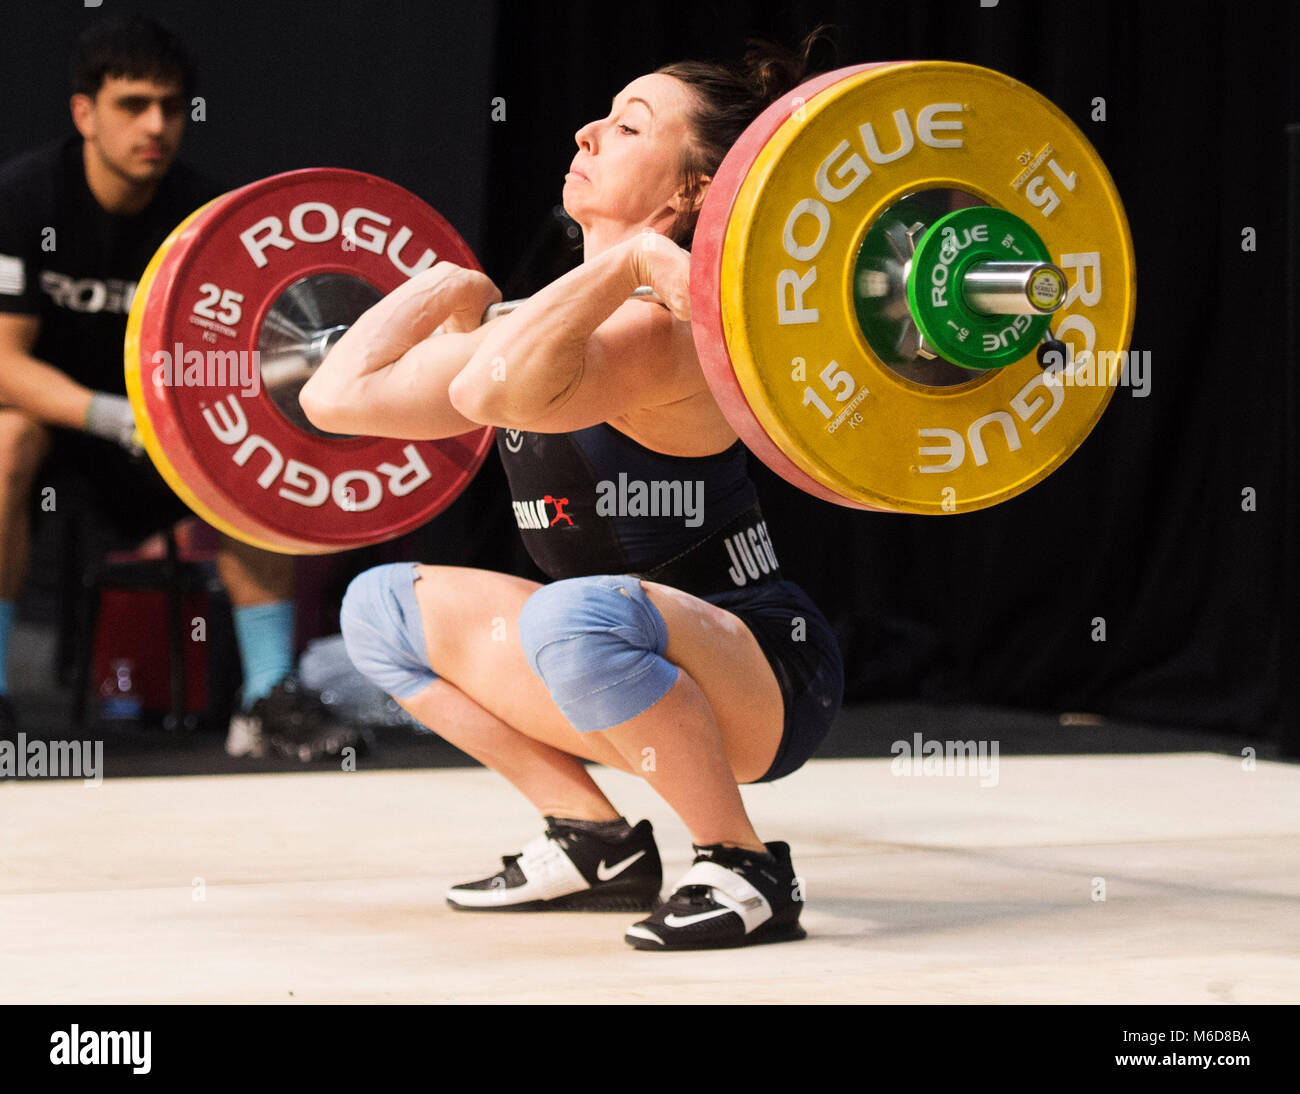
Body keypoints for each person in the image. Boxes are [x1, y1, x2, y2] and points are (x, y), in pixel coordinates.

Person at [300, 32, 844, 950]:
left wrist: (631, 270)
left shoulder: (671, 330)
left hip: (762, 672)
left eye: (628, 127)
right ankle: (593, 840)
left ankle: (745, 864)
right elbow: (332, 398)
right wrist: (446, 287)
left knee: (573, 613)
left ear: (691, 192)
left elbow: (486, 391)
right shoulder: (542, 319)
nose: (588, 132)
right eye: (601, 118)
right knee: (378, 609)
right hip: (606, 657)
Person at [0, 14, 357, 760]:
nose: (156, 125)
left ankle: (265, 702)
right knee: (4, 438)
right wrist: (113, 416)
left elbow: (232, 362)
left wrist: (187, 426)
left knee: (254, 453)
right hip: (63, 428)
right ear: (84, 113)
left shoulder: (207, 221)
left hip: (166, 438)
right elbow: (5, 361)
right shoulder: (24, 199)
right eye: (133, 105)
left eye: (170, 106)